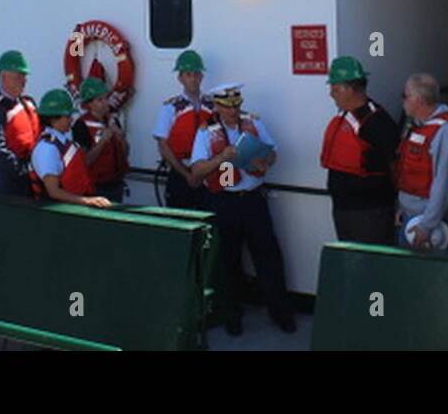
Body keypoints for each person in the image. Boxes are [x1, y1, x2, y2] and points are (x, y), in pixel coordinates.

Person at [190, 83, 294, 336]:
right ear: (216, 106)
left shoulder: (254, 124)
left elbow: (273, 154)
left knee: (268, 257)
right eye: (227, 107)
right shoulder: (206, 132)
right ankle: (232, 317)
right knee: (228, 261)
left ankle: (280, 313)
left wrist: (265, 159)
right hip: (224, 202)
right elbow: (196, 172)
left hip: (253, 200)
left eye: (236, 105)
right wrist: (220, 159)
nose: (233, 111)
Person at [319, 56, 401, 245]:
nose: (331, 94)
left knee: (371, 267)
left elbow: (396, 164)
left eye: (335, 88)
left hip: (370, 213)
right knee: (351, 265)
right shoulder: (345, 117)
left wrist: (399, 205)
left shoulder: (377, 122)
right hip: (344, 210)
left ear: (349, 89)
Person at [394, 73, 448, 251]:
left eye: (405, 96)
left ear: (418, 100)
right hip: (410, 216)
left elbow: (444, 184)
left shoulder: (447, 132)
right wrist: (402, 209)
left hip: (429, 223)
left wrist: (427, 225)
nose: (402, 101)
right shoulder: (419, 126)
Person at [30, 88, 112, 208]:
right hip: (58, 213)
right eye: (67, 116)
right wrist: (87, 201)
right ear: (53, 119)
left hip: (73, 206)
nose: (71, 120)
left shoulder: (60, 142)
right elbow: (53, 191)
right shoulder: (46, 149)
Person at [153, 50, 214, 208]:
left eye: (196, 74)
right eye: (188, 75)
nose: (193, 79)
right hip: (181, 173)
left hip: (208, 172)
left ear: (201, 77)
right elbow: (163, 144)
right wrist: (186, 175)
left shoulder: (212, 105)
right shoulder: (171, 107)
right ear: (180, 78)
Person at [0, 50, 40, 198]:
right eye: (19, 76)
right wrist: (22, 170)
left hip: (30, 181)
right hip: (6, 183)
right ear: (3, 77)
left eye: (24, 76)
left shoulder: (28, 103)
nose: (23, 80)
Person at [73, 77, 129, 204]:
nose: (105, 103)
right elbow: (85, 161)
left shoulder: (113, 121)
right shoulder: (81, 126)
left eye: (105, 98)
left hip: (116, 183)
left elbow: (125, 153)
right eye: (100, 100)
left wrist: (120, 137)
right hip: (96, 187)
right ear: (89, 103)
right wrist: (102, 141)